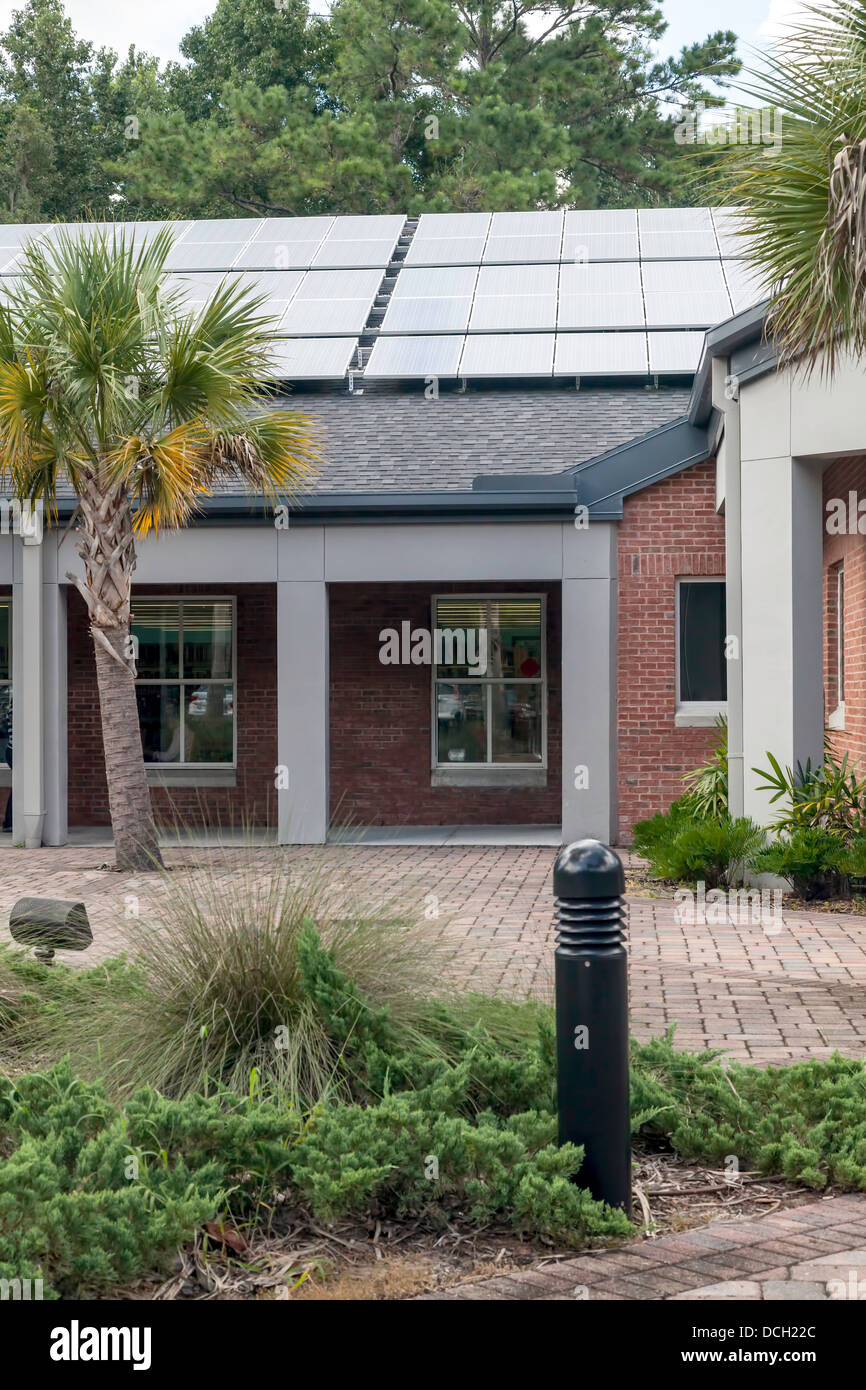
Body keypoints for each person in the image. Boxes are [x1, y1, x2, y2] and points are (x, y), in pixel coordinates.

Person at [2, 698, 11, 832]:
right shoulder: (16, 706)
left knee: (20, 787)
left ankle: (9, 822)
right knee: (20, 787)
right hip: (14, 750)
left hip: (15, 751)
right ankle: (9, 822)